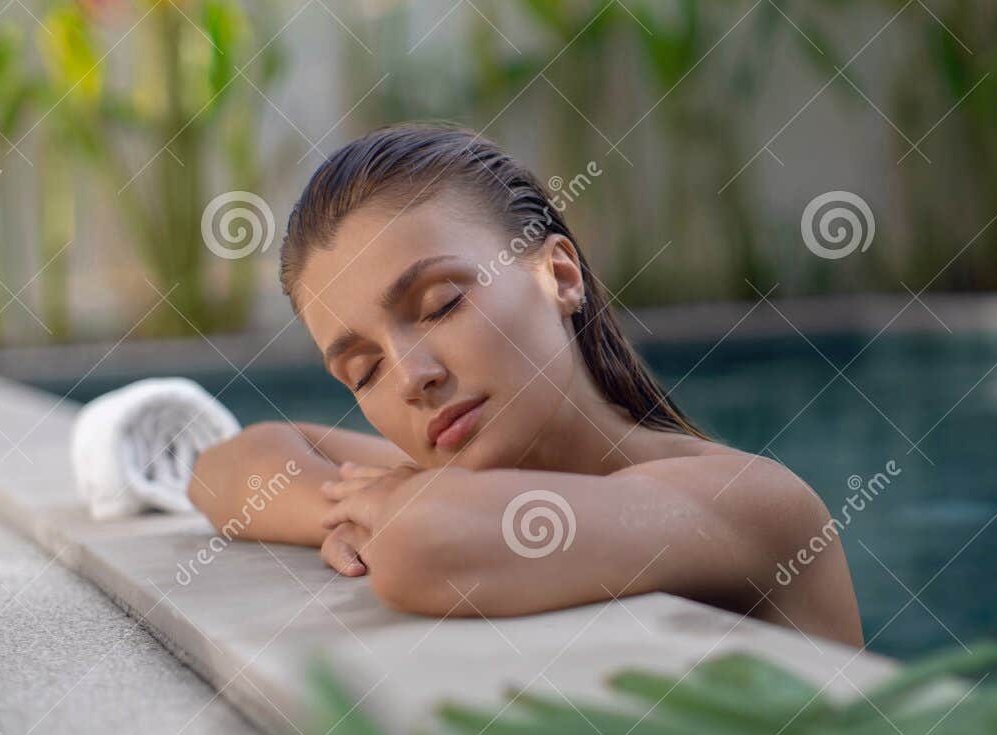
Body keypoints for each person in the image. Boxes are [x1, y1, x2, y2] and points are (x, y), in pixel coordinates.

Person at [188, 123, 863, 646]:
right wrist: (349, 508)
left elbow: (424, 547)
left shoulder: (756, 502)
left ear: (560, 276)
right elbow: (226, 468)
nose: (413, 378)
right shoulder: (443, 485)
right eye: (363, 370)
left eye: (441, 305)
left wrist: (399, 503)